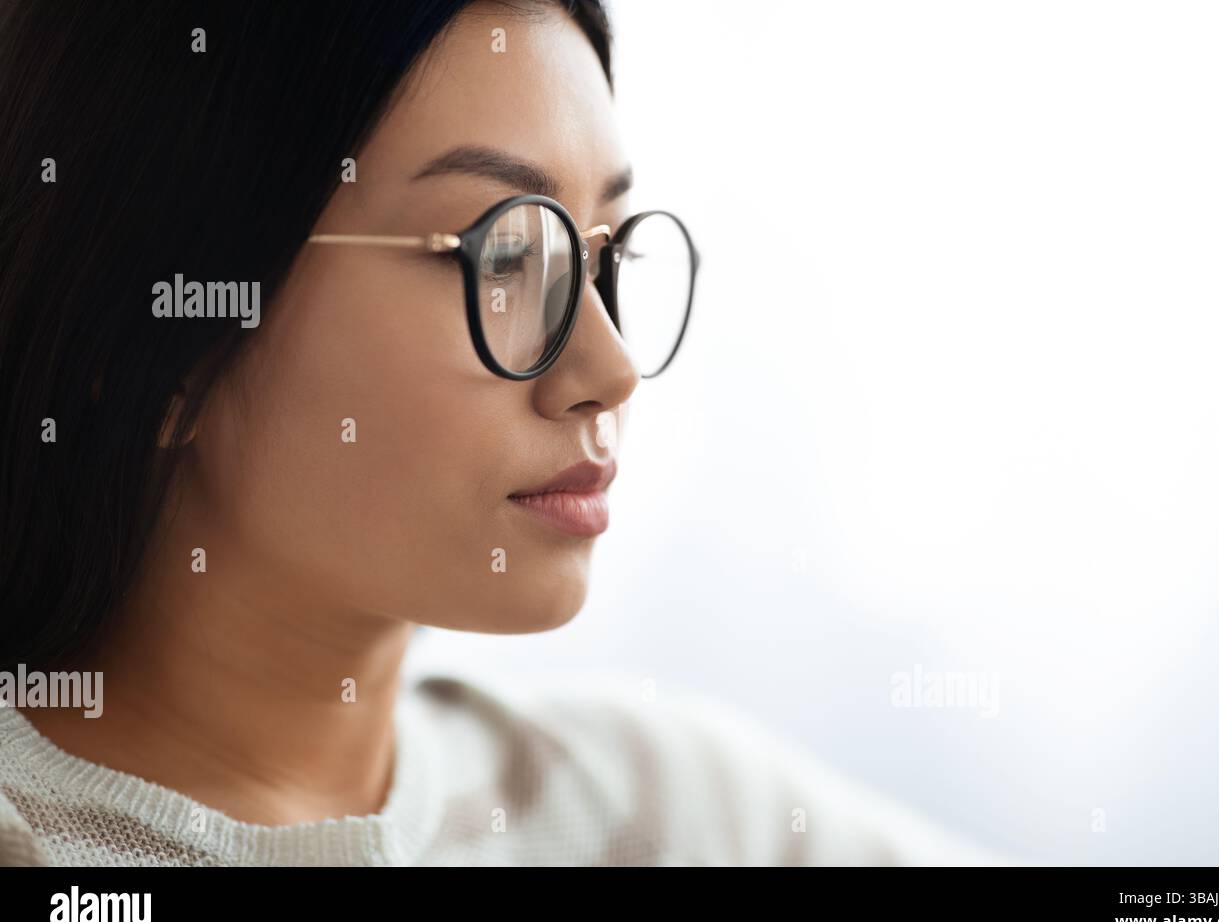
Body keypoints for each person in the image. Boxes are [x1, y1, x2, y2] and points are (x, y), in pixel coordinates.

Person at [0, 0, 1005, 866]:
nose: (609, 370)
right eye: (502, 253)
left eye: (603, 257)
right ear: (166, 328)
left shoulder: (670, 809)